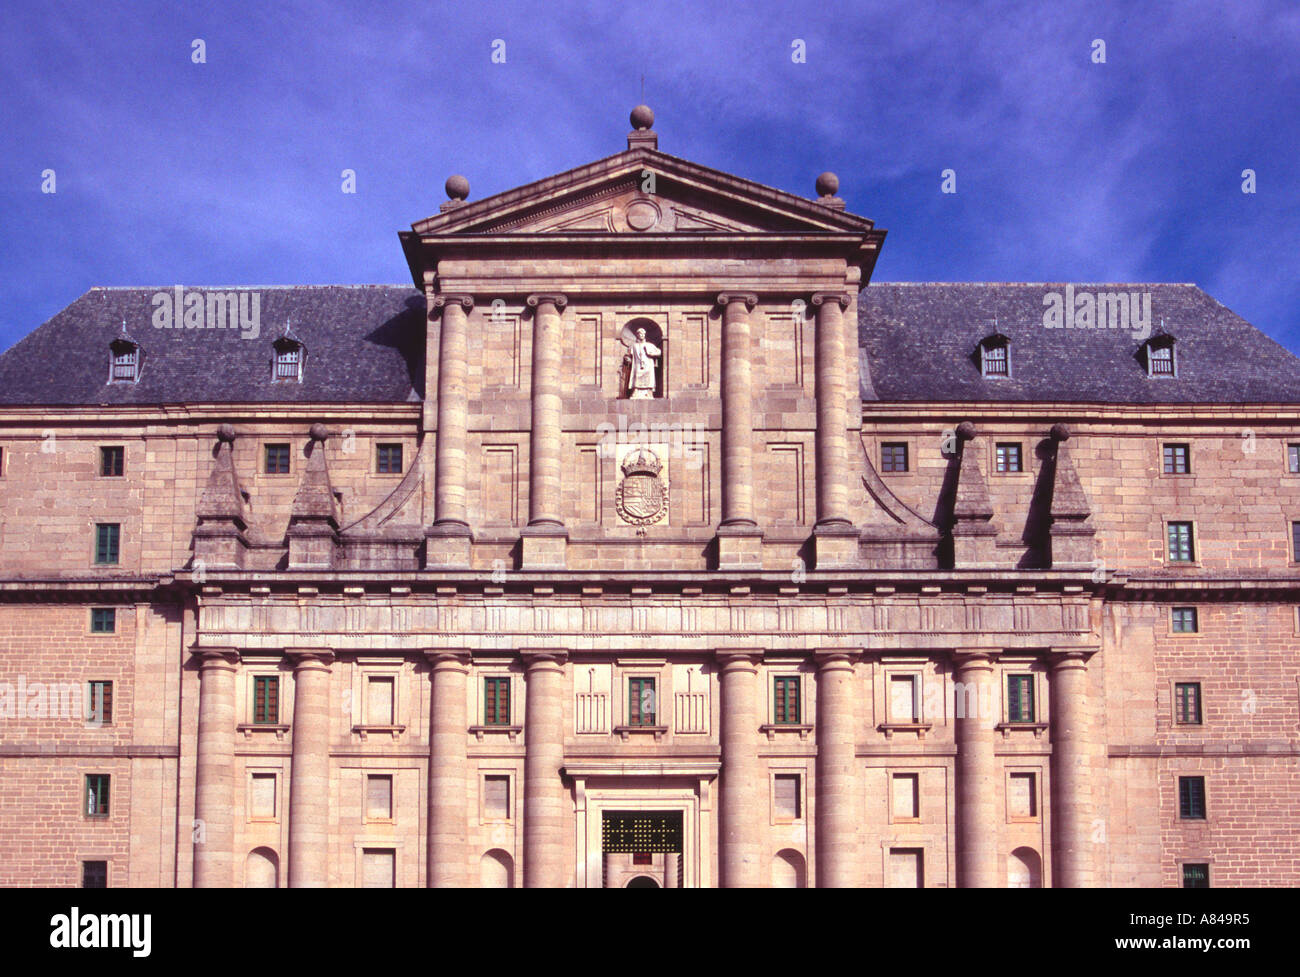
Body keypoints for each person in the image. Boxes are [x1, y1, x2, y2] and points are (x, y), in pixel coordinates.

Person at [626, 327, 661, 399]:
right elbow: (628, 355)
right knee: (636, 377)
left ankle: (649, 392)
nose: (641, 335)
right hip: (637, 365)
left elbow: (659, 352)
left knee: (648, 379)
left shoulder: (650, 345)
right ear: (637, 335)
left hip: (648, 366)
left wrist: (651, 354)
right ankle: (635, 391)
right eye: (640, 333)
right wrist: (627, 359)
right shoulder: (633, 345)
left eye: (643, 334)